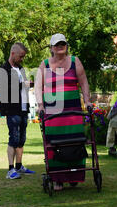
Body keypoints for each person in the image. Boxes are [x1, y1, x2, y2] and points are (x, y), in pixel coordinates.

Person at [35, 33, 92, 190]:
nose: (60, 46)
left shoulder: (75, 61)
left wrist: (87, 101)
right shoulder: (45, 64)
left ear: (66, 45)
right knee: (54, 144)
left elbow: (84, 82)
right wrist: (40, 105)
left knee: (75, 141)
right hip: (53, 112)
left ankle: (74, 175)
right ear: (51, 48)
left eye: (63, 44)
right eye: (57, 44)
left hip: (73, 111)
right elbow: (38, 87)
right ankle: (58, 178)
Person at [0, 42, 35, 180]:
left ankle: (19, 166)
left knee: (22, 139)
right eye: (21, 56)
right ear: (13, 54)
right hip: (12, 110)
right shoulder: (3, 69)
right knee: (13, 138)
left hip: (23, 108)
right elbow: (3, 88)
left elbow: (22, 87)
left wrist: (28, 85)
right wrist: (22, 84)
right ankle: (10, 169)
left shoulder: (21, 68)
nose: (22, 59)